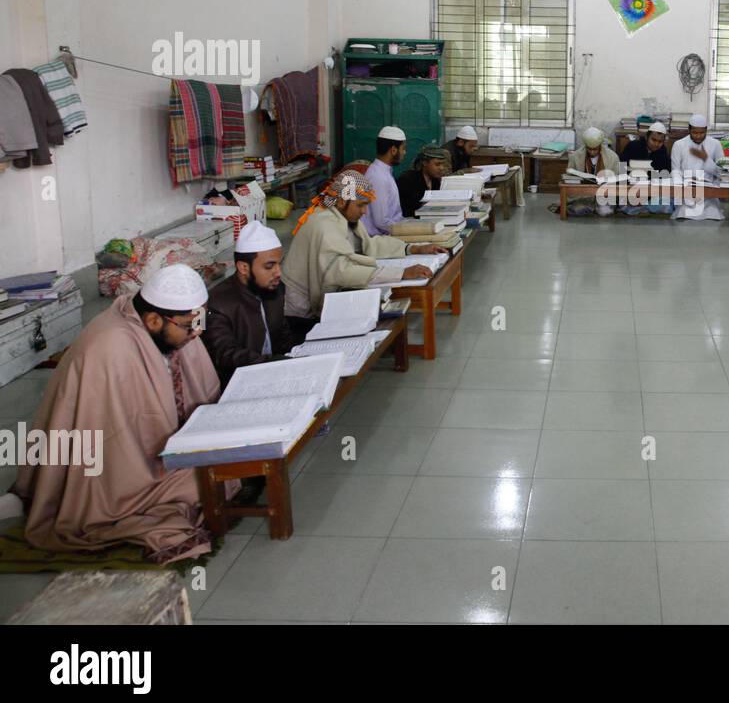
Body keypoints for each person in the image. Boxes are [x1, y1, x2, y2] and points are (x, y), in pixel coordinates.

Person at [8, 265, 221, 563]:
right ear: (153, 319)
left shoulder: (167, 330)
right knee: (207, 481)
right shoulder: (111, 348)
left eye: (201, 320)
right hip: (114, 473)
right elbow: (118, 443)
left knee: (221, 471)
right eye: (190, 324)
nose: (197, 331)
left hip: (154, 451)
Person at [281, 169, 444, 327]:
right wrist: (401, 272)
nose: (365, 212)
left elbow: (369, 245)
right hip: (300, 308)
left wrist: (413, 248)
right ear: (342, 201)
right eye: (361, 205)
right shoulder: (324, 224)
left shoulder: (342, 215)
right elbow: (341, 271)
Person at [202, 220, 295, 385]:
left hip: (278, 373)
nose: (278, 273)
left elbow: (282, 333)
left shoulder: (275, 288)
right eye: (269, 266)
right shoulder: (215, 304)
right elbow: (225, 354)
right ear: (243, 268)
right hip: (241, 383)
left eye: (279, 264)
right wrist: (273, 363)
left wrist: (295, 358)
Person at [670, 114, 725, 221]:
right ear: (689, 130)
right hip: (686, 190)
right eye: (695, 132)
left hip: (707, 191)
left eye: (702, 133)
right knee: (684, 212)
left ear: (706, 130)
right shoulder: (679, 144)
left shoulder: (715, 144)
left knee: (712, 213)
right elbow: (675, 170)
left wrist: (706, 160)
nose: (698, 136)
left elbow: (721, 172)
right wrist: (681, 184)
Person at [362, 126, 407, 236]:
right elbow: (381, 222)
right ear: (393, 150)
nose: (404, 153)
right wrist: (407, 231)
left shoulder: (383, 172)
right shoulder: (378, 177)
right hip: (380, 240)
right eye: (403, 148)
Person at [621, 121, 673, 216]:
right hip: (631, 188)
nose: (656, 144)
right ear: (646, 137)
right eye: (654, 140)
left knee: (665, 203)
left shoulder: (663, 153)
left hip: (651, 191)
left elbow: (664, 177)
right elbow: (622, 170)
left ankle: (644, 208)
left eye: (660, 142)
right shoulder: (633, 146)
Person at [567, 127, 622, 217]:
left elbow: (616, 180)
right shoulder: (575, 156)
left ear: (600, 145)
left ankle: (596, 207)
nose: (592, 152)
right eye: (589, 149)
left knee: (605, 211)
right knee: (577, 210)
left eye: (595, 149)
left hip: (604, 194)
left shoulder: (612, 157)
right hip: (583, 196)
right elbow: (569, 178)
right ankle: (590, 207)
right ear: (585, 145)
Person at [397, 144, 451, 219]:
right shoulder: (407, 180)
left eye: (443, 164)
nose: (441, 168)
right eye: (437, 164)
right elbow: (406, 211)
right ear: (425, 163)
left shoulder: (435, 181)